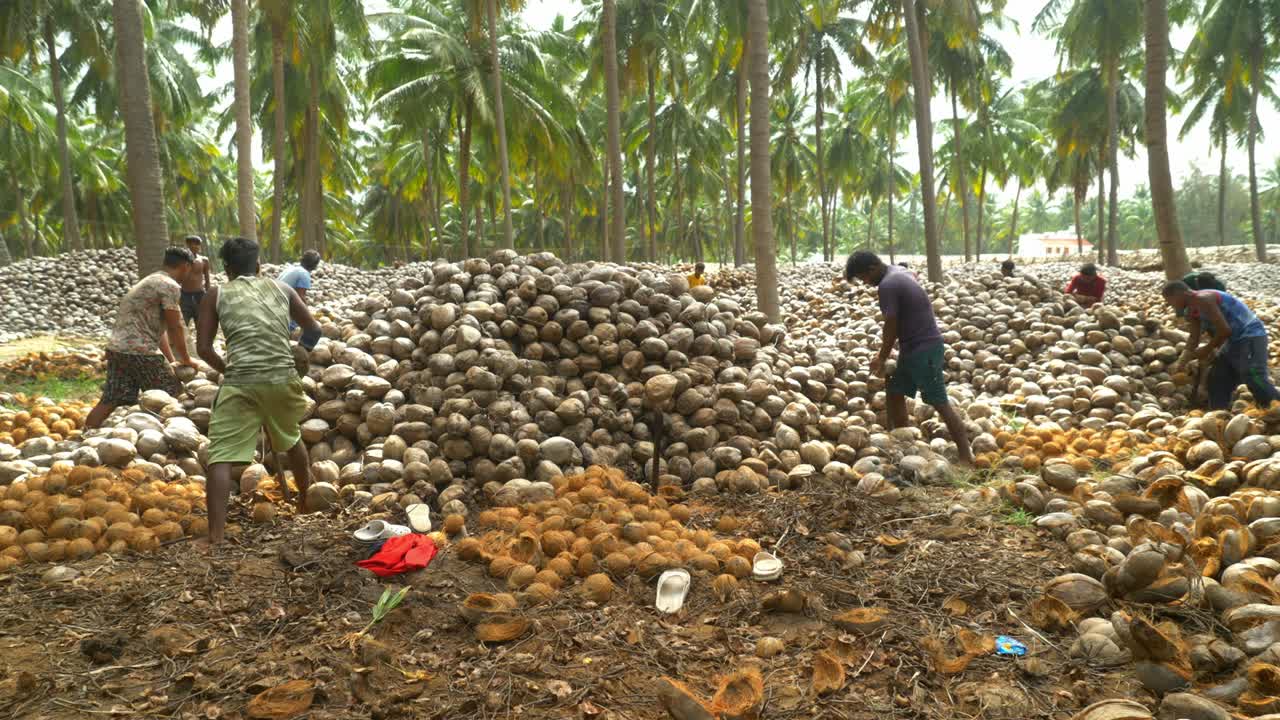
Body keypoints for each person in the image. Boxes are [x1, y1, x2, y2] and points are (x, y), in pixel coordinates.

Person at [197, 237, 322, 545]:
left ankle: (216, 537)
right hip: (283, 378)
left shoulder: (216, 293)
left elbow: (202, 348)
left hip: (241, 381)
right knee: (291, 437)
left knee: (221, 456)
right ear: (258, 265)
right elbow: (314, 329)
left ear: (226, 269)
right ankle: (305, 504)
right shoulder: (283, 289)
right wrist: (301, 351)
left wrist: (229, 369)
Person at [845, 251, 973, 465]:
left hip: (924, 349)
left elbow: (891, 324)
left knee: (939, 401)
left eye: (863, 278)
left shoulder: (887, 285)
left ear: (872, 269)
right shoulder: (898, 271)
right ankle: (903, 442)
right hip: (912, 348)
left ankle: (966, 456)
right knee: (895, 390)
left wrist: (882, 356)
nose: (865, 284)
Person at [86, 248, 198, 429]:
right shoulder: (170, 285)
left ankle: (86, 434)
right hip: (140, 351)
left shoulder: (149, 281)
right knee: (172, 393)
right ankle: (170, 442)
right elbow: (174, 326)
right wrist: (186, 359)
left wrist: (171, 361)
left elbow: (159, 331)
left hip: (117, 349)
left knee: (112, 398)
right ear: (186, 266)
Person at [1163, 281, 1280, 411]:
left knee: (1253, 375)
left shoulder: (1203, 299)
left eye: (1170, 300)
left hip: (1250, 336)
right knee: (1218, 377)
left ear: (1179, 294)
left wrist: (1206, 349)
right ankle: (1219, 415)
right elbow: (1193, 338)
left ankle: (1274, 407)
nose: (1171, 304)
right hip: (1231, 342)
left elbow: (1225, 330)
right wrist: (1182, 362)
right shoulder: (1190, 311)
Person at [179, 235, 212, 326]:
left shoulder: (204, 260)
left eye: (198, 244)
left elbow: (207, 279)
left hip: (199, 294)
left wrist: (208, 295)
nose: (196, 247)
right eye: (193, 244)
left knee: (201, 322)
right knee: (183, 322)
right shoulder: (181, 260)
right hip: (185, 295)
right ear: (188, 245)